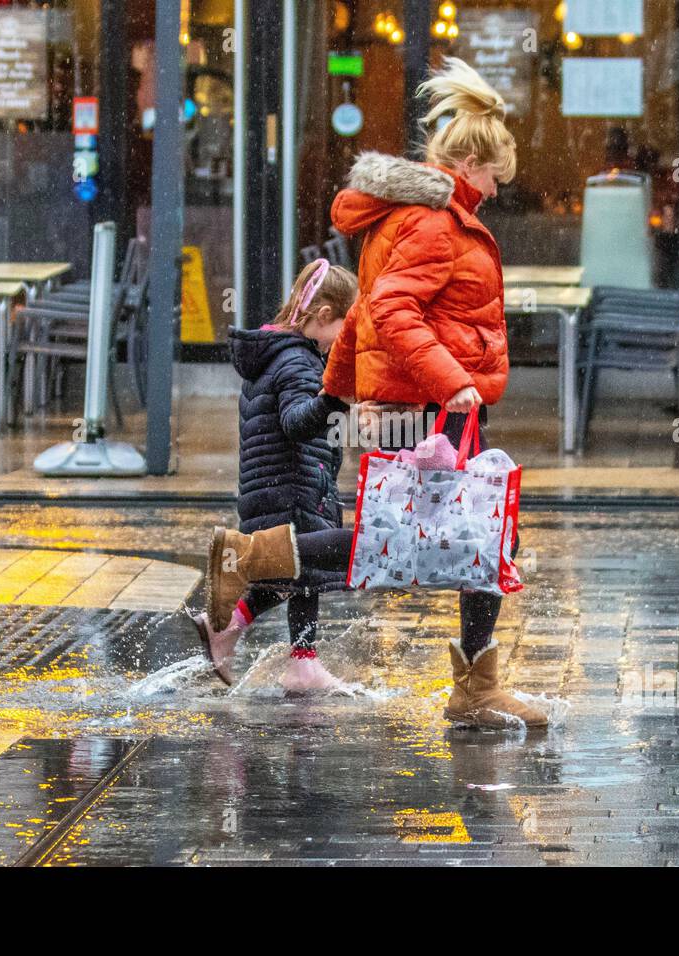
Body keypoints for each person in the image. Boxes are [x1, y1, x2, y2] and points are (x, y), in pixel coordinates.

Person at [204, 57, 547, 729]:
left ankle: (476, 685)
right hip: (430, 408)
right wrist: (450, 381)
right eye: (495, 176)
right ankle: (248, 560)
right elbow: (390, 311)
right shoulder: (433, 222)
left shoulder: (417, 219)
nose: (498, 191)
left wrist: (337, 392)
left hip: (429, 403)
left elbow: (362, 315)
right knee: (410, 541)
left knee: (475, 534)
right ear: (472, 164)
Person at [193, 259, 358, 693]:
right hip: (289, 486)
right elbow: (296, 422)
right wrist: (333, 398)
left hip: (280, 485)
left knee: (299, 573)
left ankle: (293, 658)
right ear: (323, 316)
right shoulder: (297, 361)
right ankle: (241, 567)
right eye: (344, 327)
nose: (345, 341)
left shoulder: (278, 353)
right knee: (327, 556)